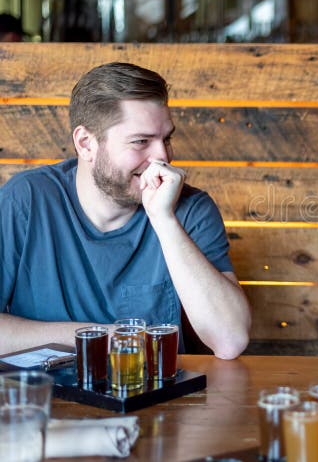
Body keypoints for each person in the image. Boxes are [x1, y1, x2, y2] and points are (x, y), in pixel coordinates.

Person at [0, 62, 251, 358]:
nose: (163, 157)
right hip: (47, 395)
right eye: (141, 141)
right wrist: (107, 338)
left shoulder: (189, 209)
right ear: (86, 144)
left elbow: (231, 340)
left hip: (155, 397)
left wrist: (164, 219)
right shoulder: (26, 199)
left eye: (166, 139)